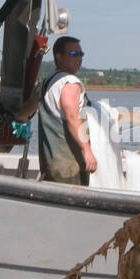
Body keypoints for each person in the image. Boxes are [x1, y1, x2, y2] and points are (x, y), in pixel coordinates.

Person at [37, 36, 96, 184]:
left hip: (51, 165)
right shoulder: (70, 83)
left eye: (81, 54)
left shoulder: (47, 82)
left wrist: (18, 118)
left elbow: (27, 110)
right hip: (69, 167)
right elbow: (72, 117)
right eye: (74, 54)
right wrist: (87, 150)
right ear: (59, 56)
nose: (79, 58)